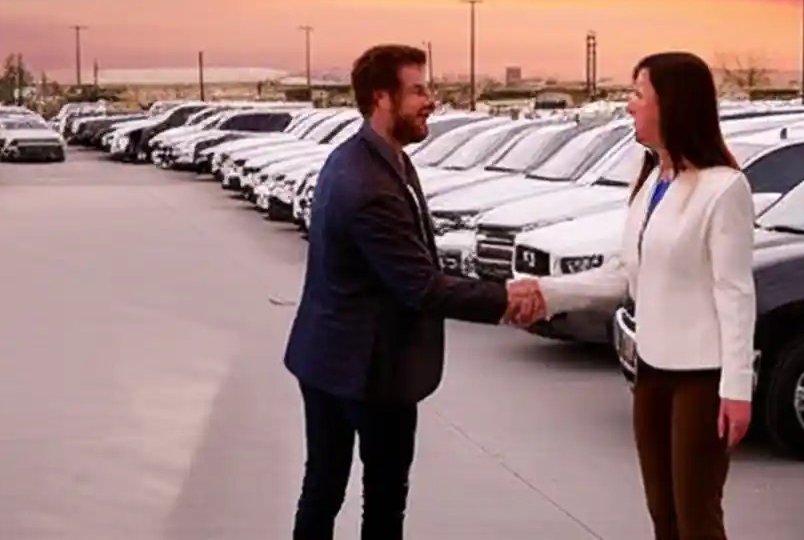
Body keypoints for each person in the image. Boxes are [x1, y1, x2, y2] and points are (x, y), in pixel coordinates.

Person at [283, 43, 546, 540]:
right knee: (378, 499)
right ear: (382, 98)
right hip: (366, 369)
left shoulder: (370, 158)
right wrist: (506, 297)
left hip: (327, 357)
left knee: (323, 485)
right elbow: (419, 286)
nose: (433, 100)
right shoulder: (368, 183)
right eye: (420, 90)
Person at [513, 51, 757, 540]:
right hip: (652, 372)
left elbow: (735, 294)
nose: (628, 106)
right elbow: (628, 276)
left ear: (672, 105)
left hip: (702, 379)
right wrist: (546, 292)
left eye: (637, 95)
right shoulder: (651, 181)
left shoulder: (723, 188)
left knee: (696, 519)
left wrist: (737, 389)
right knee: (662, 513)